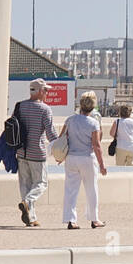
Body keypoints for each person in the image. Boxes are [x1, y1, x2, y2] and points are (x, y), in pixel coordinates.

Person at [13, 78, 58, 227]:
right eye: (46, 90)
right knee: (41, 183)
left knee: (25, 184)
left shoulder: (20, 106)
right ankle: (27, 202)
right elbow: (51, 135)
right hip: (37, 152)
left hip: (21, 151)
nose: (47, 93)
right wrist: (62, 147)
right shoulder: (45, 109)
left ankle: (31, 218)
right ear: (39, 91)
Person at [61, 93, 107, 230]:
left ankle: (71, 220)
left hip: (71, 158)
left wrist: (60, 156)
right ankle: (94, 219)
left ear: (80, 105)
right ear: (93, 107)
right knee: (91, 189)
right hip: (87, 158)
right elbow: (96, 145)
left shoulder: (70, 120)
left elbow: (62, 138)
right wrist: (102, 165)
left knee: (70, 190)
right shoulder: (94, 123)